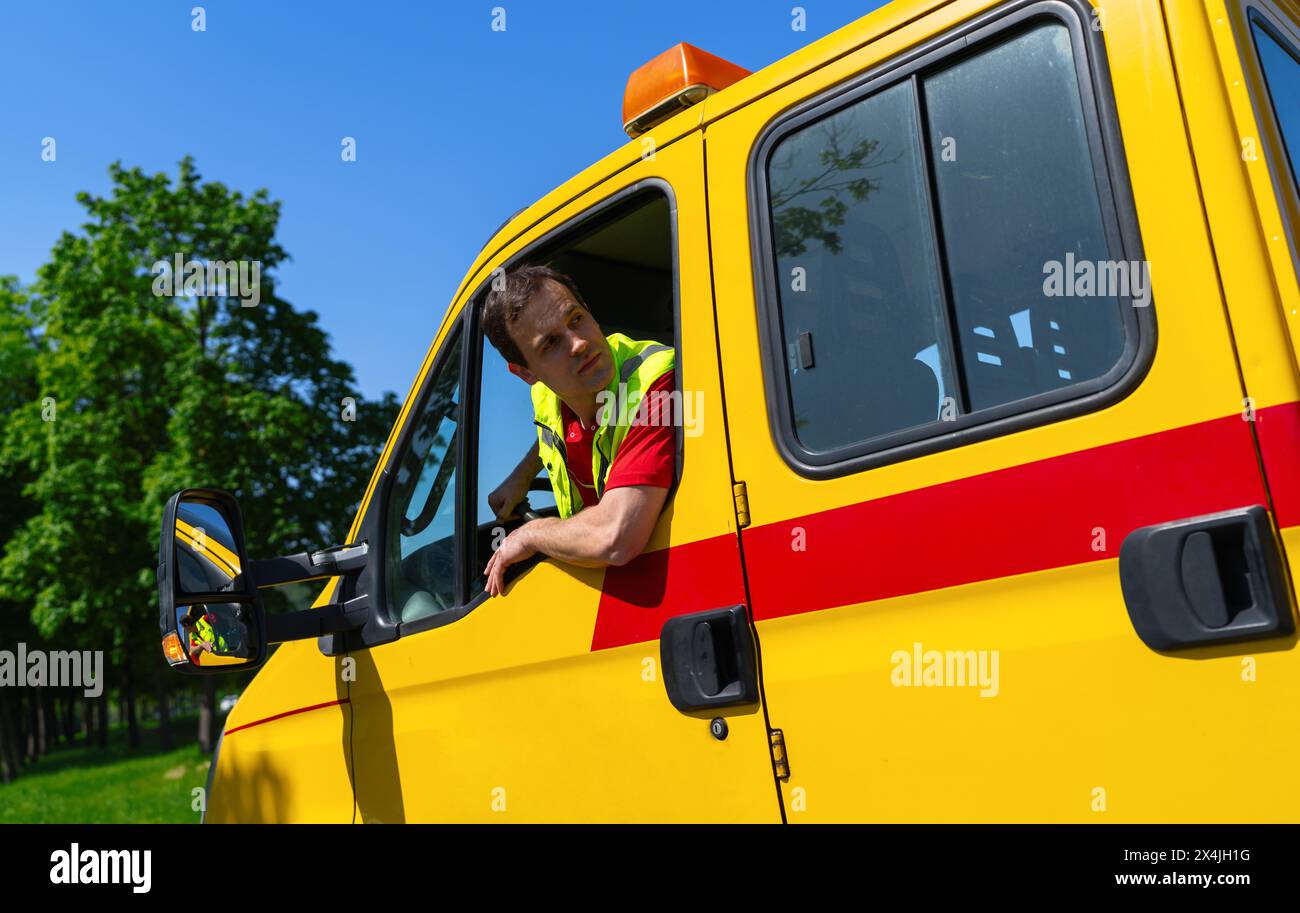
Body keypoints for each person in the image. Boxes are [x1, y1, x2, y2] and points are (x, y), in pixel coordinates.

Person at [481, 265, 678, 596]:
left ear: (590, 313)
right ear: (525, 373)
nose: (578, 344)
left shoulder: (655, 384)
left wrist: (531, 534)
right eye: (551, 343)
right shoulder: (549, 395)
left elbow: (615, 537)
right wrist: (523, 473)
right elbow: (560, 424)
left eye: (576, 319)